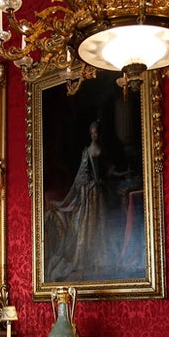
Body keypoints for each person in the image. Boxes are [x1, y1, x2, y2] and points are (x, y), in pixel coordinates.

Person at [46, 120, 111, 281]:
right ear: (90, 134)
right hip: (90, 193)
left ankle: (99, 258)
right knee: (87, 225)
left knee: (100, 224)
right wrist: (87, 187)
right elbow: (82, 175)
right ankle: (87, 257)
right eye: (93, 133)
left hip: (99, 192)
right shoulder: (87, 151)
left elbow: (106, 169)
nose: (95, 135)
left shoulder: (102, 149)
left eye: (97, 133)